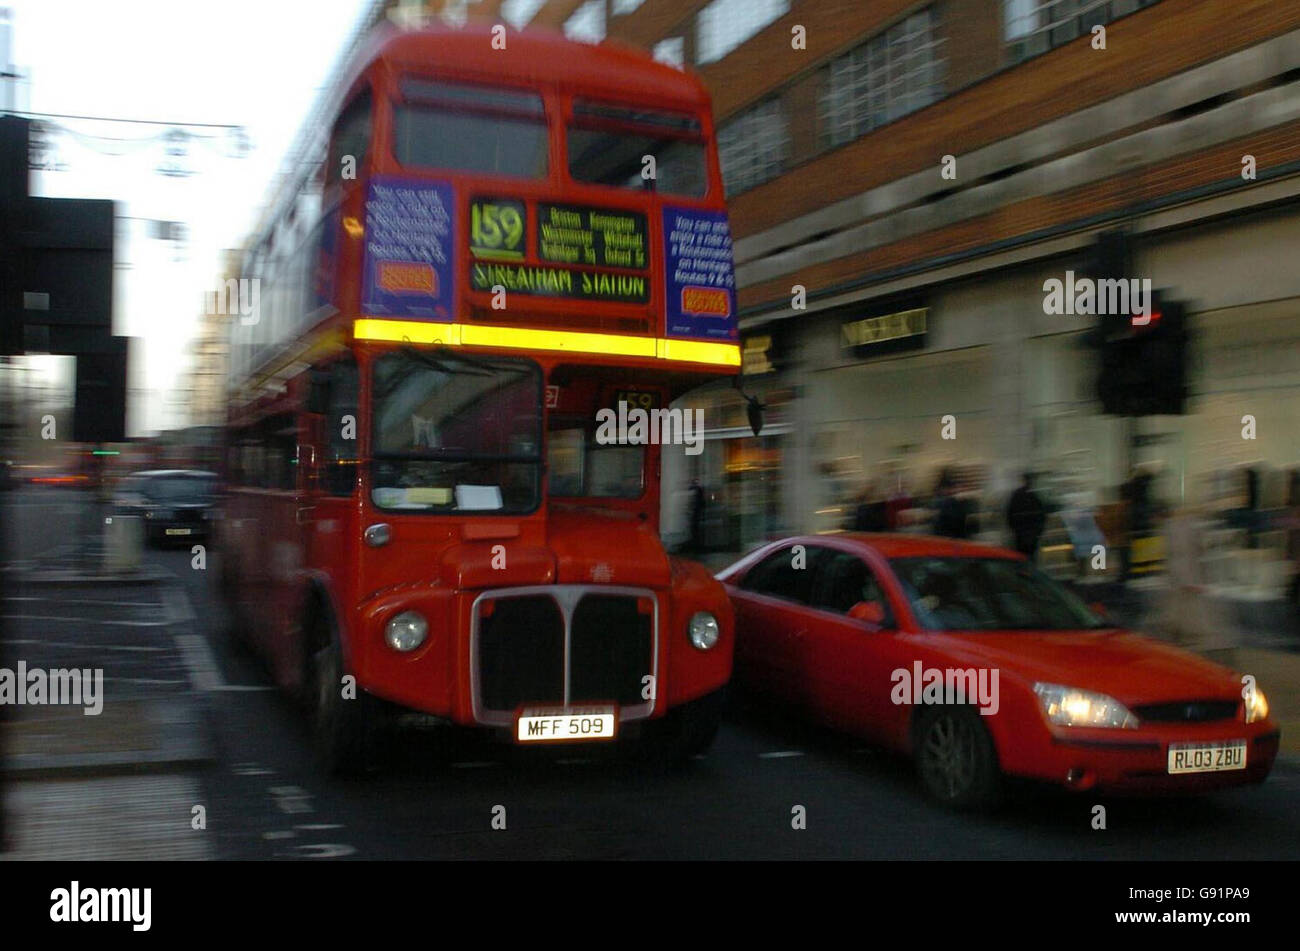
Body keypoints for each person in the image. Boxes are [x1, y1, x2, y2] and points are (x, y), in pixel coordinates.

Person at [1006, 471, 1047, 561]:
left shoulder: (1017, 495)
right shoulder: (1035, 495)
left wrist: (1015, 530)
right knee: (1031, 558)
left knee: (1021, 558)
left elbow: (1010, 514)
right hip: (1031, 534)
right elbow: (1042, 515)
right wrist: (1039, 531)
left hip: (1021, 534)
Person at [686, 477, 706, 553]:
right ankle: (697, 545)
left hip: (696, 512)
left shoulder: (696, 490)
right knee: (696, 529)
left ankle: (695, 545)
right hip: (697, 512)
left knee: (695, 529)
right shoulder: (699, 490)